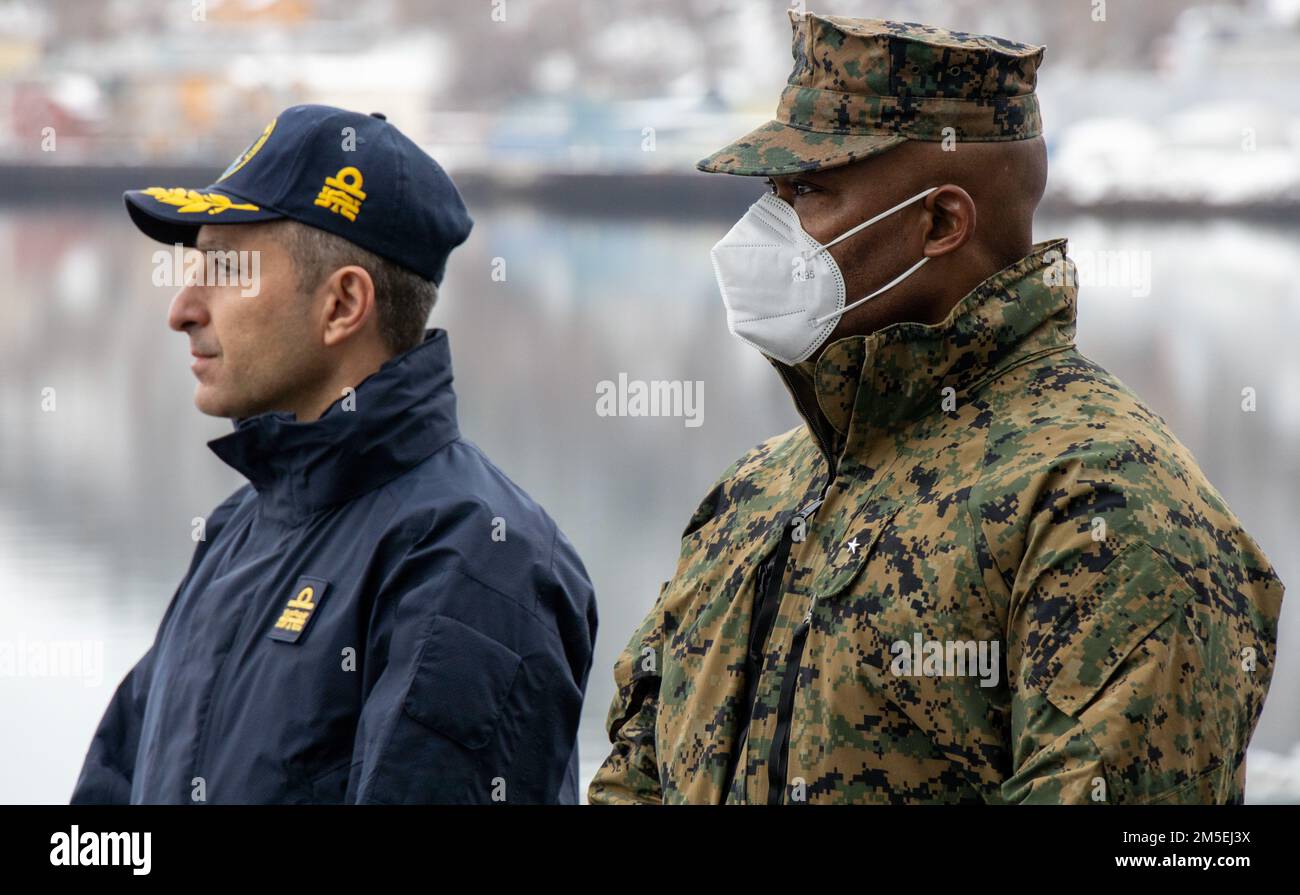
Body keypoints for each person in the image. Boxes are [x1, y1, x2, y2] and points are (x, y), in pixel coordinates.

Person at [588, 12, 1284, 804]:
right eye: (772, 194)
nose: (764, 230)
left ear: (941, 222)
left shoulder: (1104, 503)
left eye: (808, 192)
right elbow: (631, 766)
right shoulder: (757, 491)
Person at [71, 104, 597, 804]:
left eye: (224, 268)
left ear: (343, 304)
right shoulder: (239, 532)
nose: (182, 309)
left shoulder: (477, 561)